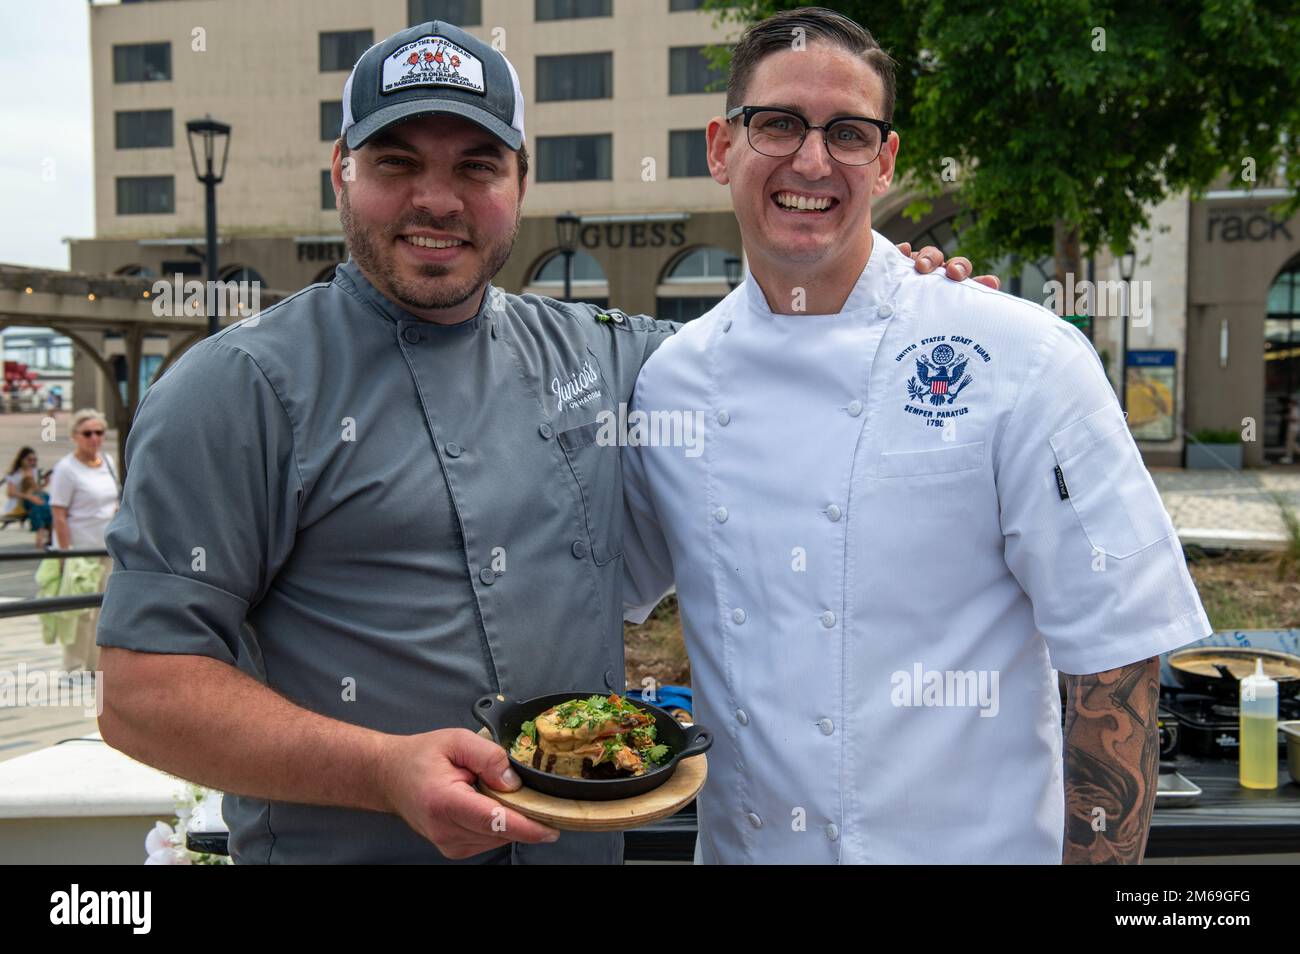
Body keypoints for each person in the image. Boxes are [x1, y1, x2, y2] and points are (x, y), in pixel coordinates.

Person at [95, 19, 980, 865]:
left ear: (522, 181)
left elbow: (776, 357)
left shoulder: (609, 355)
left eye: (477, 165)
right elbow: (142, 696)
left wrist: (900, 301)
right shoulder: (235, 391)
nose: (436, 198)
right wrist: (381, 772)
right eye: (397, 163)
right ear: (342, 171)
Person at [621, 7, 1212, 864]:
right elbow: (597, 599)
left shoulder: (1021, 355)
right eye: (778, 124)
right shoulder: (672, 382)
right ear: (721, 147)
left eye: (849, 132)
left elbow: (1114, 665)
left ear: (885, 159)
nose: (812, 161)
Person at [47, 409, 120, 673]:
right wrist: (65, 555)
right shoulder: (66, 469)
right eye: (88, 433)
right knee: (80, 612)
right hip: (79, 550)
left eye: (99, 432)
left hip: (106, 548)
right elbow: (59, 513)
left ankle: (94, 665)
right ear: (75, 436)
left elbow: (112, 503)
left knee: (103, 609)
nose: (94, 438)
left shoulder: (108, 462)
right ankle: (74, 665)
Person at [5, 446, 52, 547]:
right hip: (18, 503)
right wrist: (28, 497)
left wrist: (46, 483)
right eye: (29, 459)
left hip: (33, 499)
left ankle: (49, 534)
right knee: (38, 505)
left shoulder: (33, 471)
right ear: (22, 459)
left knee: (47, 500)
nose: (32, 462)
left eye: (34, 460)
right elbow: (10, 493)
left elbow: (36, 489)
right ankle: (41, 536)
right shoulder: (15, 474)